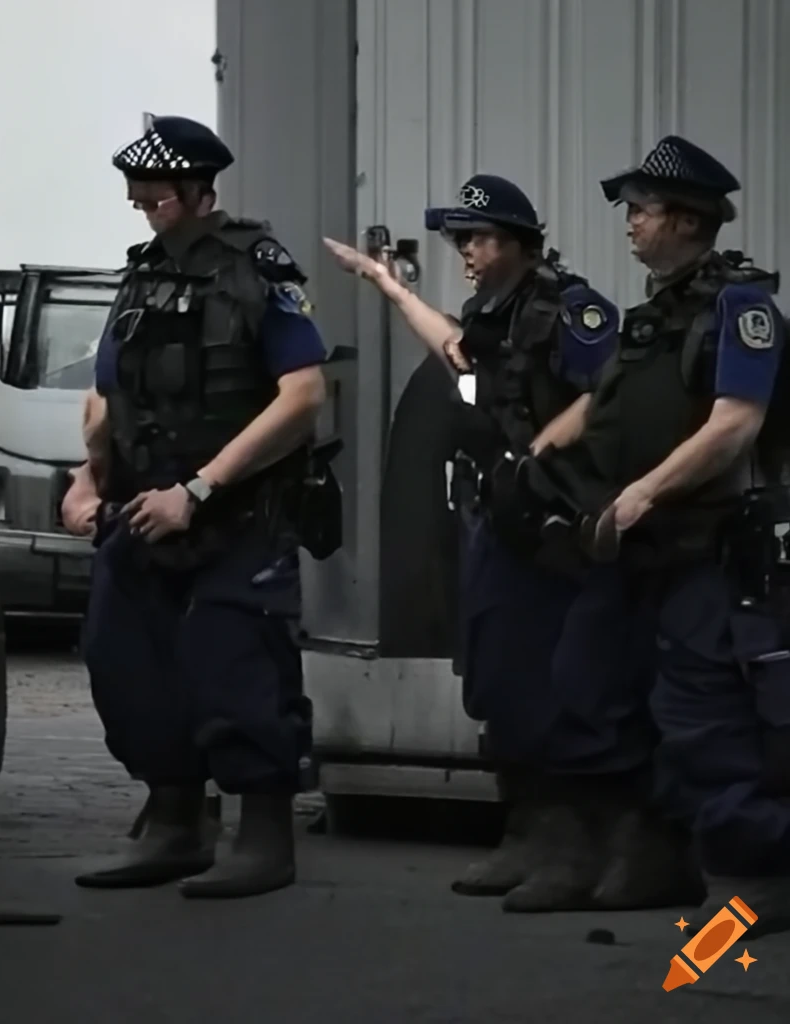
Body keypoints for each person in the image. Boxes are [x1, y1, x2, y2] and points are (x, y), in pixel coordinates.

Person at [325, 177, 673, 913]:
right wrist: (387, 285)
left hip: (560, 531)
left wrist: (543, 450)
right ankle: (529, 830)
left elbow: (609, 387)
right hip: (503, 525)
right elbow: (460, 354)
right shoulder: (494, 313)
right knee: (499, 679)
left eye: (479, 240)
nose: (468, 255)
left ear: (519, 242)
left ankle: (581, 846)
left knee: (566, 686)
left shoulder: (568, 308)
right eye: (460, 242)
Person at [61, 115, 331, 900]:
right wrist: (89, 479)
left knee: (238, 665)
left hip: (235, 513)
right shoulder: (141, 272)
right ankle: (176, 824)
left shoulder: (258, 267)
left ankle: (264, 839)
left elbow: (304, 396)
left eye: (160, 195)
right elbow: (112, 394)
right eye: (139, 197)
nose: (147, 207)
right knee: (128, 666)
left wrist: (200, 490)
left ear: (201, 189)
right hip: (143, 510)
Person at [526, 135, 789, 933]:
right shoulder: (654, 314)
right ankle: (648, 850)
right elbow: (605, 398)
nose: (630, 225)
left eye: (641, 211)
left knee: (708, 712)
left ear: (686, 219)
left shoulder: (740, 310)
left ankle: (758, 876)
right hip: (641, 546)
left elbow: (736, 424)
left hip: (714, 546)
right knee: (595, 686)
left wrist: (641, 493)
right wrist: (542, 454)